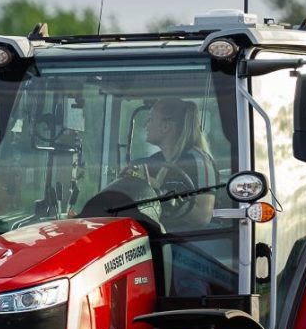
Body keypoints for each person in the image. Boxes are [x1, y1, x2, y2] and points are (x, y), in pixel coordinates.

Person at [84, 97, 219, 231]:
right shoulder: (151, 162)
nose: (146, 125)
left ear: (166, 126)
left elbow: (203, 217)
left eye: (151, 119)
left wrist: (160, 194)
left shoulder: (199, 160)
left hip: (193, 240)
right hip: (161, 236)